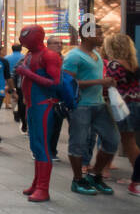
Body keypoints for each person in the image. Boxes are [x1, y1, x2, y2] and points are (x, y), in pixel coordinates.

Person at [62, 25, 119, 196]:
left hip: (99, 104)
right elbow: (67, 84)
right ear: (86, 36)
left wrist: (106, 84)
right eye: (99, 34)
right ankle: (78, 179)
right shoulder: (73, 56)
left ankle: (95, 175)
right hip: (81, 106)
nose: (102, 36)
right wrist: (100, 82)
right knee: (78, 143)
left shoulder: (96, 56)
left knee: (112, 141)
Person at [14, 25, 62, 202]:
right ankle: (37, 183)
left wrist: (27, 73)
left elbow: (55, 83)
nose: (22, 39)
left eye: (25, 35)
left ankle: (43, 188)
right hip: (32, 106)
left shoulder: (48, 55)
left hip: (43, 105)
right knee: (35, 146)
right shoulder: (29, 54)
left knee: (42, 147)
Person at [102, 33, 138, 190]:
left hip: (123, 106)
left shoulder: (115, 65)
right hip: (136, 104)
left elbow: (108, 85)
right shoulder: (133, 64)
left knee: (128, 142)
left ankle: (136, 179)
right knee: (129, 140)